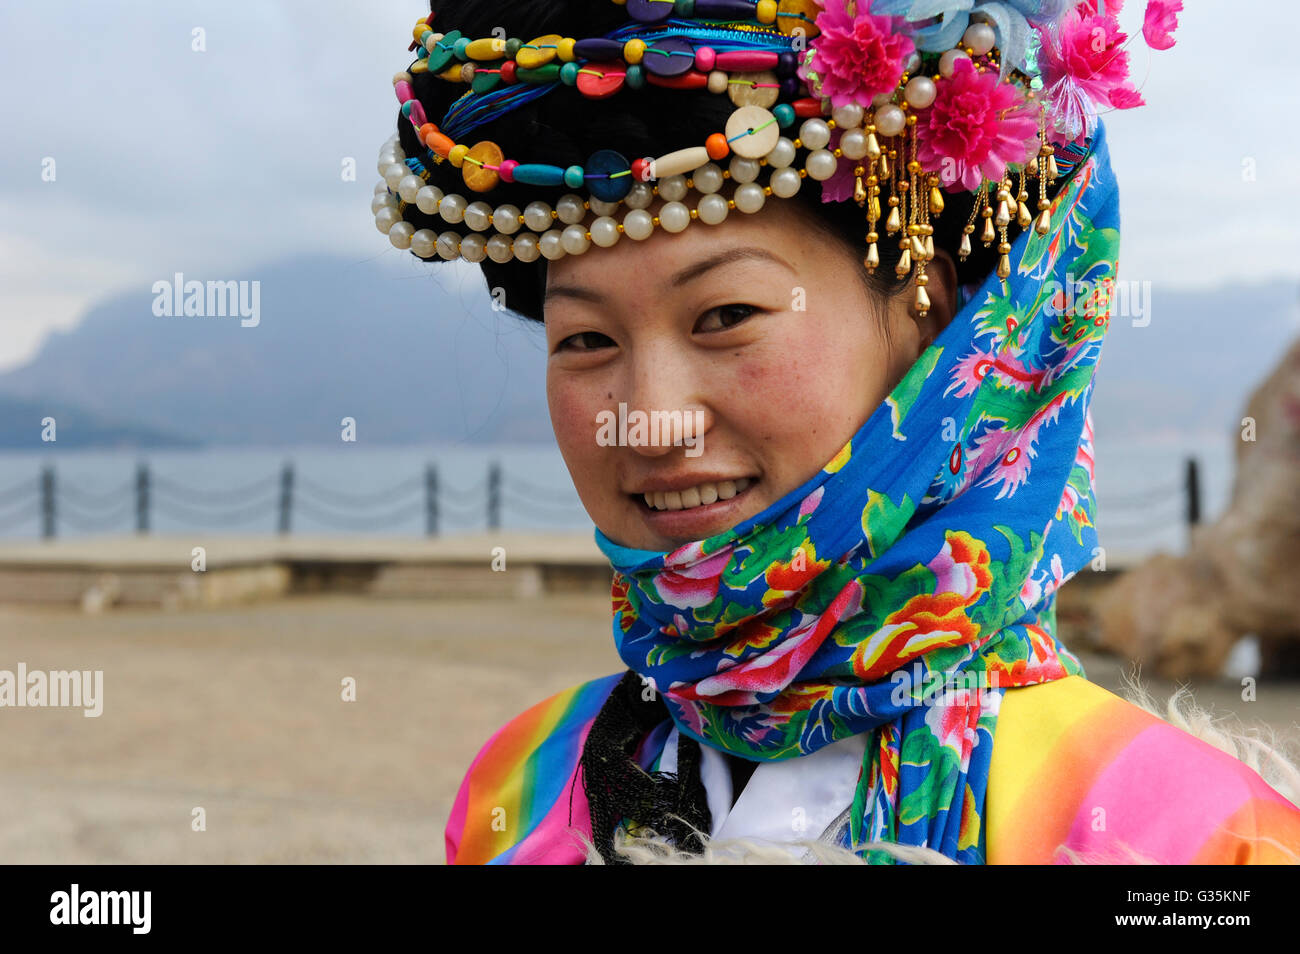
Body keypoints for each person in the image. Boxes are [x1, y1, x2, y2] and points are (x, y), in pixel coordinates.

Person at [372, 0, 1300, 864]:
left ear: (935, 323)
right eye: (585, 339)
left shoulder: (1186, 839)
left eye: (725, 315)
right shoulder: (525, 787)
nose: (648, 418)